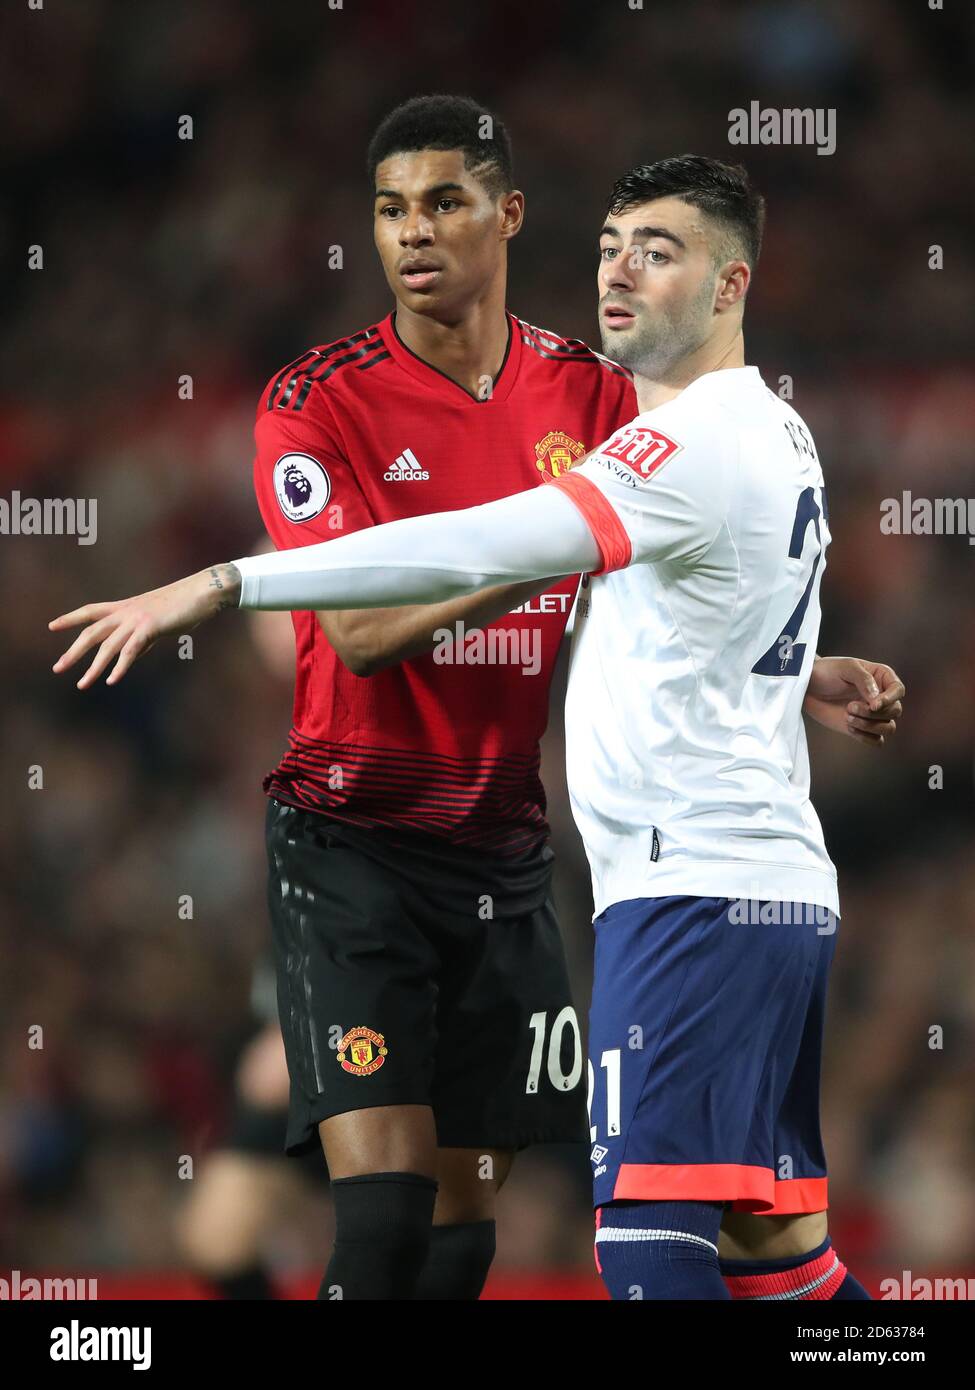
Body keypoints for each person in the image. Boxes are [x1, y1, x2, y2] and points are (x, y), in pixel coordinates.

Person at [50, 150, 905, 1302]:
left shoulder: (681, 445)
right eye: (608, 249)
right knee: (780, 1256)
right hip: (767, 888)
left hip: (695, 894)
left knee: (650, 1247)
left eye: (659, 253)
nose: (619, 273)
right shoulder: (771, 427)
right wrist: (805, 672)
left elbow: (474, 546)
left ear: (731, 285)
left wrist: (222, 583)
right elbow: (708, 599)